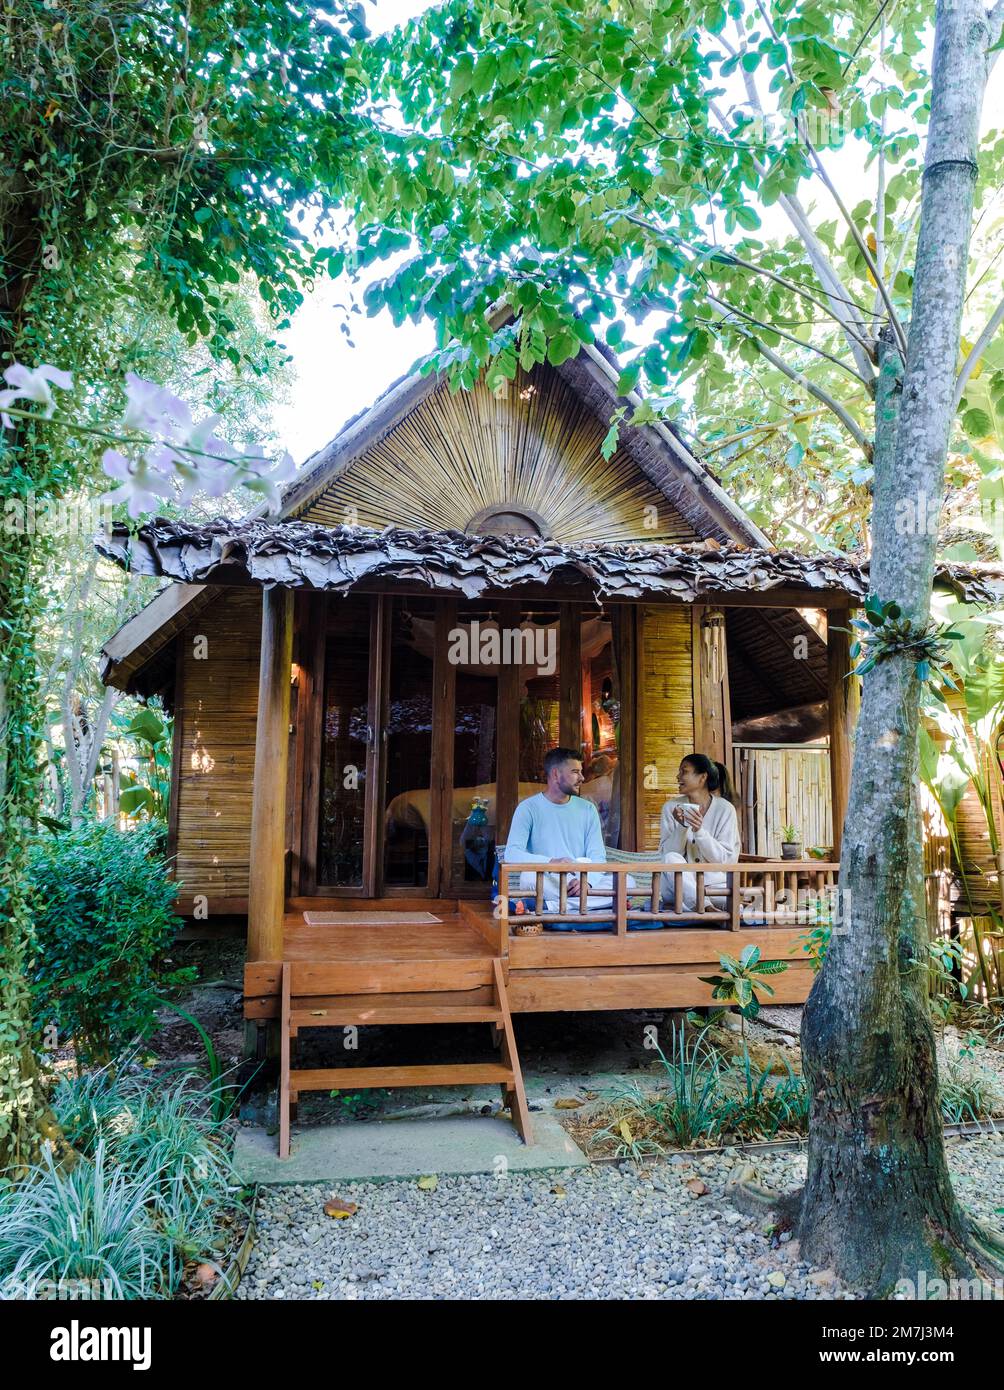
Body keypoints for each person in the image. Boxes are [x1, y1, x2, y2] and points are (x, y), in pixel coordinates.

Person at [503, 746, 609, 911]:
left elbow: (598, 857)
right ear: (555, 774)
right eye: (575, 771)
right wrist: (550, 862)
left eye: (581, 771)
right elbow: (512, 853)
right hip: (548, 879)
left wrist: (587, 882)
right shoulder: (528, 808)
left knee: (627, 882)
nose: (582, 777)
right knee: (529, 878)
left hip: (579, 879)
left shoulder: (588, 809)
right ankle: (580, 905)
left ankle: (549, 906)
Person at [659, 754, 740, 912]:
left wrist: (700, 832)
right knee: (670, 858)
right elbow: (667, 855)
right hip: (678, 888)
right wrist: (682, 827)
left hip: (714, 887)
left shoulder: (725, 810)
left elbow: (726, 860)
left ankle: (704, 908)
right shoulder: (671, 808)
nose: (678, 776)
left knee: (729, 901)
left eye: (684, 771)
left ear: (702, 777)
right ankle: (706, 908)